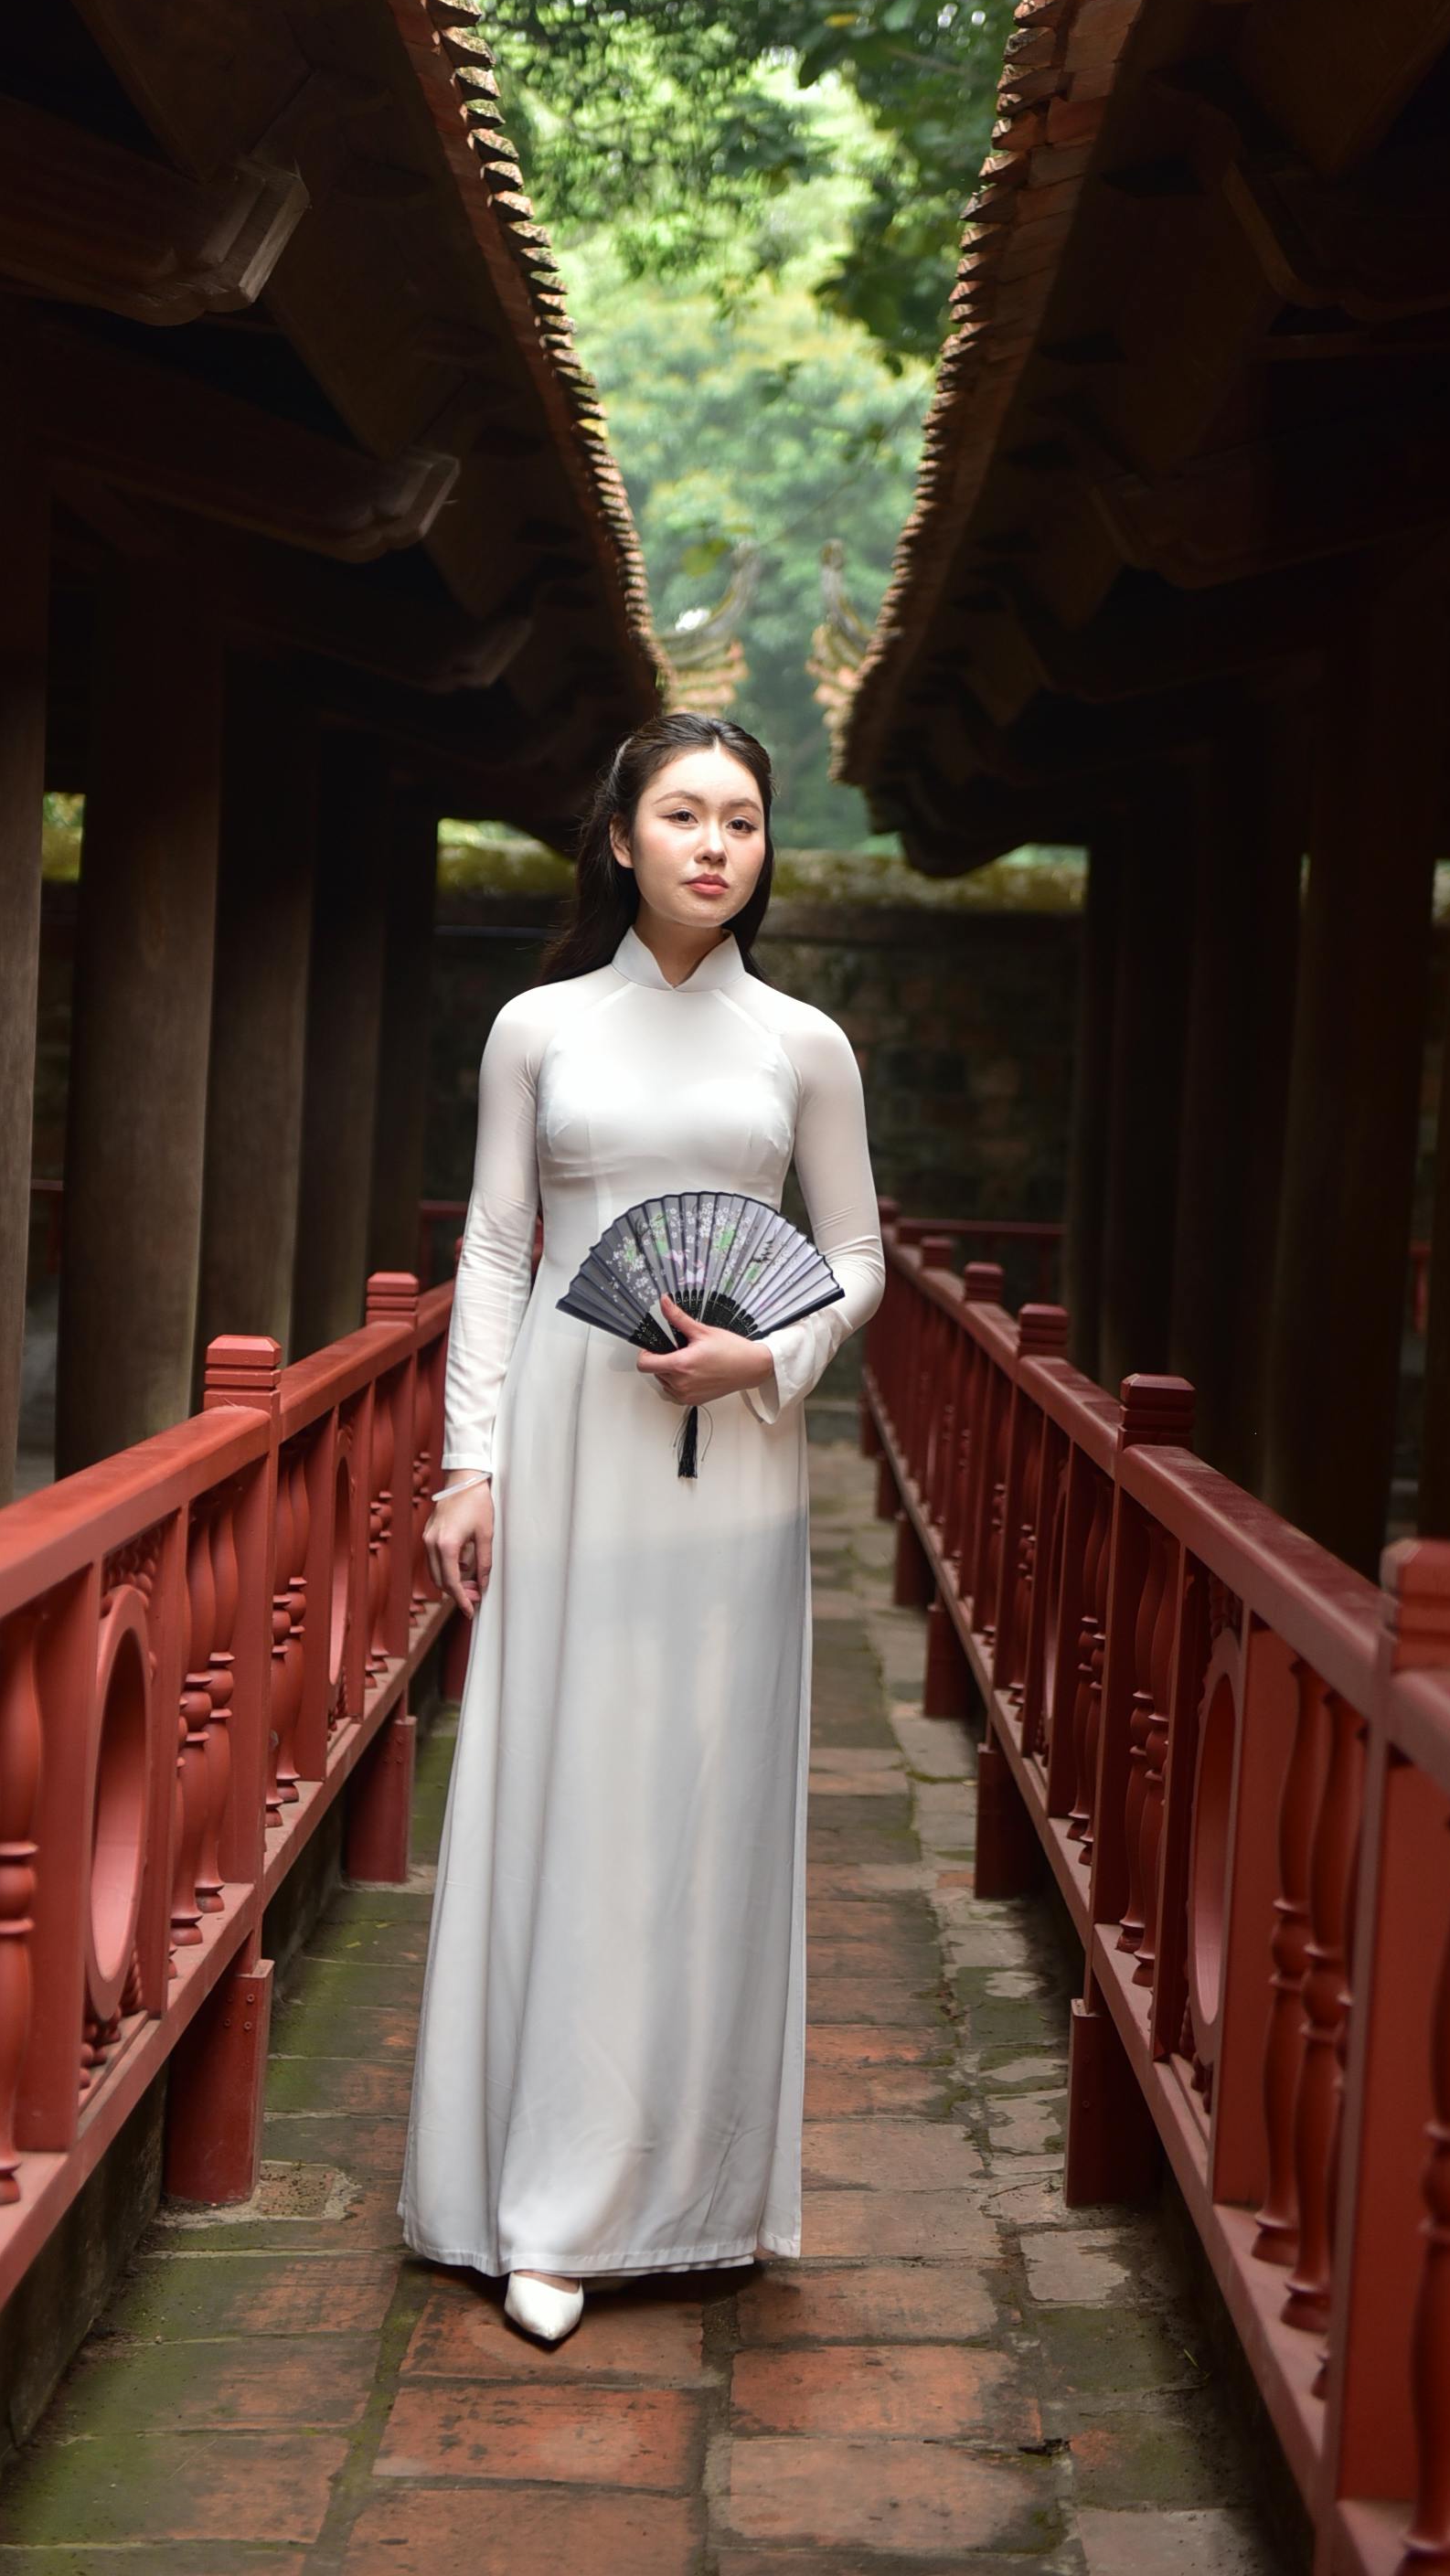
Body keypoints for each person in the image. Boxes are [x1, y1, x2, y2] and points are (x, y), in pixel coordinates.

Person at [397, 709, 885, 2345]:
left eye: (742, 822)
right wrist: (470, 1467)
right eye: (682, 815)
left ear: (763, 852)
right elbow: (493, 1250)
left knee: (701, 1795)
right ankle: (536, 2200)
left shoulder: (802, 1045)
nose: (712, 847)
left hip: (736, 1455)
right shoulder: (538, 1027)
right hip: (569, 1432)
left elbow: (863, 1256)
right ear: (618, 837)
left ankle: (694, 2193)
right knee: (568, 1788)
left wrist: (775, 1353)